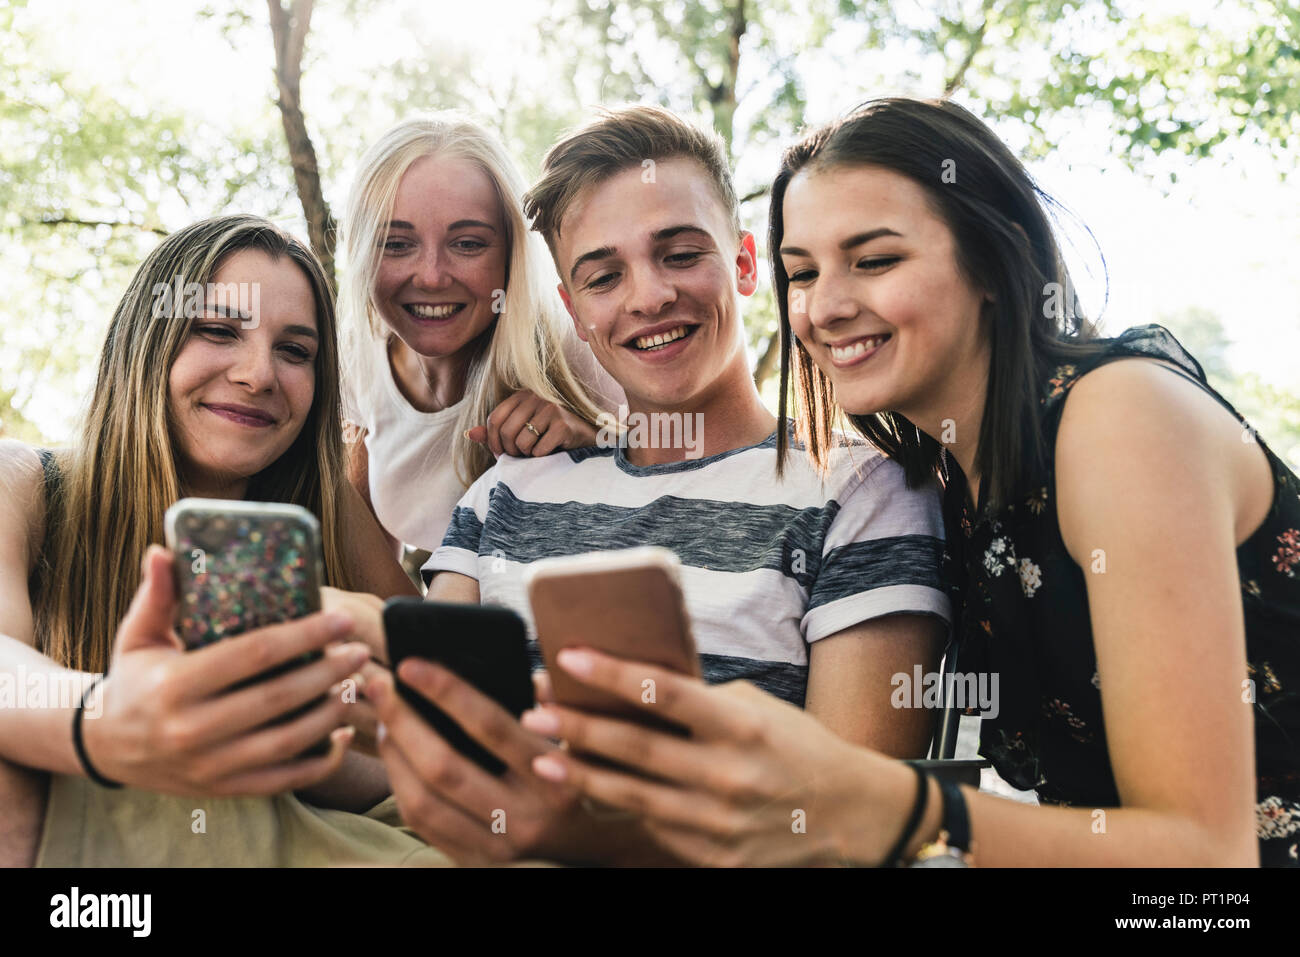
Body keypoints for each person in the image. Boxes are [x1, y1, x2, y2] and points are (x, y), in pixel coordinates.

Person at [512, 97, 1300, 867]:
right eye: (803, 272)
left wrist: (896, 808)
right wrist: (604, 436)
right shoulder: (951, 473)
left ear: (996, 258)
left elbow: (1208, 863)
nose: (825, 307)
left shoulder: (1119, 421)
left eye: (876, 260)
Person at [355, 105, 953, 865]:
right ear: (575, 308)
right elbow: (427, 746)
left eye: (678, 254)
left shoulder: (858, 490)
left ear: (743, 262)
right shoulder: (510, 489)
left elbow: (843, 821)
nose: (648, 297)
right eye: (604, 275)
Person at [0, 215, 446, 867]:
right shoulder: (26, 483)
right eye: (217, 330)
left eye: (295, 351)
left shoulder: (327, 513)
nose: (259, 373)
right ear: (146, 342)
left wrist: (314, 743)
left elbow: (445, 706)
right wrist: (116, 718)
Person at [338, 114, 623, 559]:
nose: (431, 277)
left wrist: (590, 441)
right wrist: (426, 627)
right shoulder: (355, 356)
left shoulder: (574, 347)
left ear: (512, 252)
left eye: (468, 244)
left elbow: (679, 480)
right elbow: (370, 551)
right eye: (395, 244)